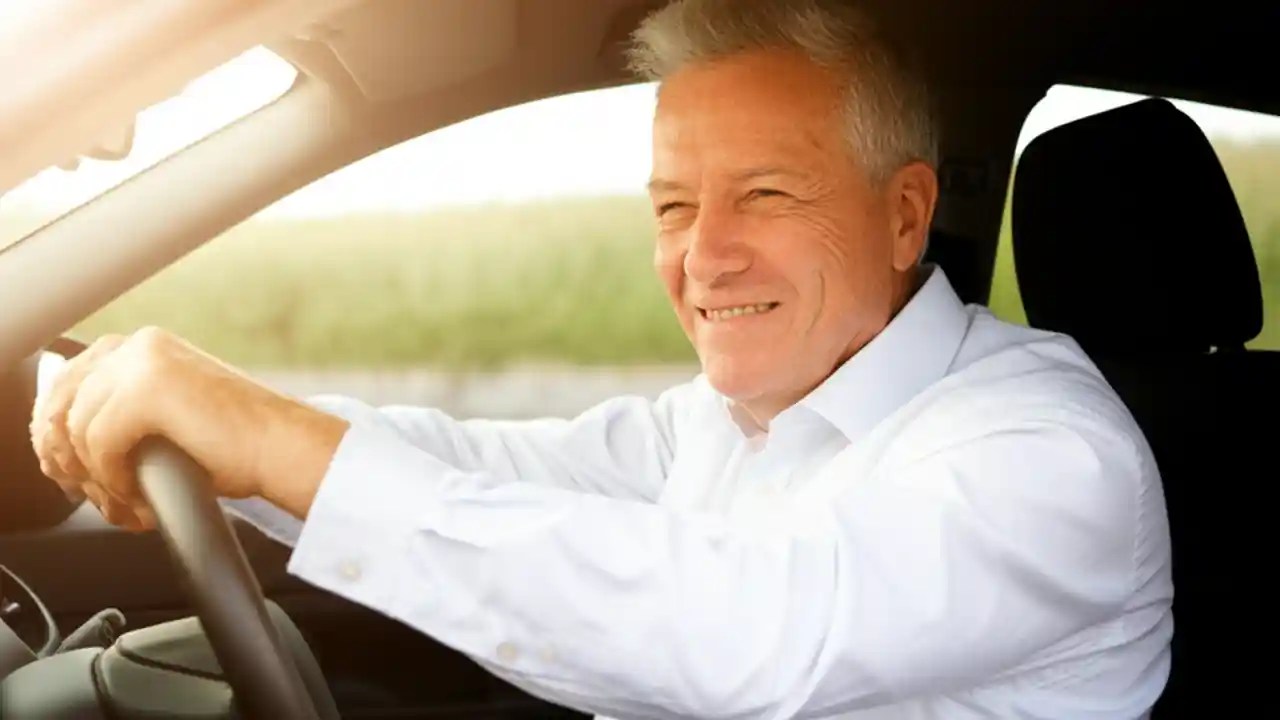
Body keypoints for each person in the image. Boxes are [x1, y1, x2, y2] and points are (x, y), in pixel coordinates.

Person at [29, 0, 1173, 717]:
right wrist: (225, 433)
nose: (702, 257)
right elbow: (490, 468)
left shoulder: (1048, 455)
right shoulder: (734, 421)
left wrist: (283, 447)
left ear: (903, 217)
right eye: (673, 206)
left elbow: (748, 634)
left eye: (763, 194)